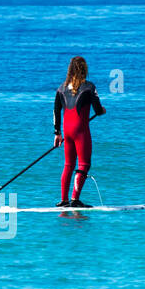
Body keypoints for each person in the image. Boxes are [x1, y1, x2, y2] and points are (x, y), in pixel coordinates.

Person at [53, 56, 105, 208]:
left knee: (68, 164)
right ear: (84, 69)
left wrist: (57, 133)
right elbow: (97, 109)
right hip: (80, 130)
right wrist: (102, 111)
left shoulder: (61, 88)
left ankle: (64, 200)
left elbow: (56, 111)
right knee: (84, 164)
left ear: (70, 69)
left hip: (66, 130)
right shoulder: (89, 87)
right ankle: (75, 199)